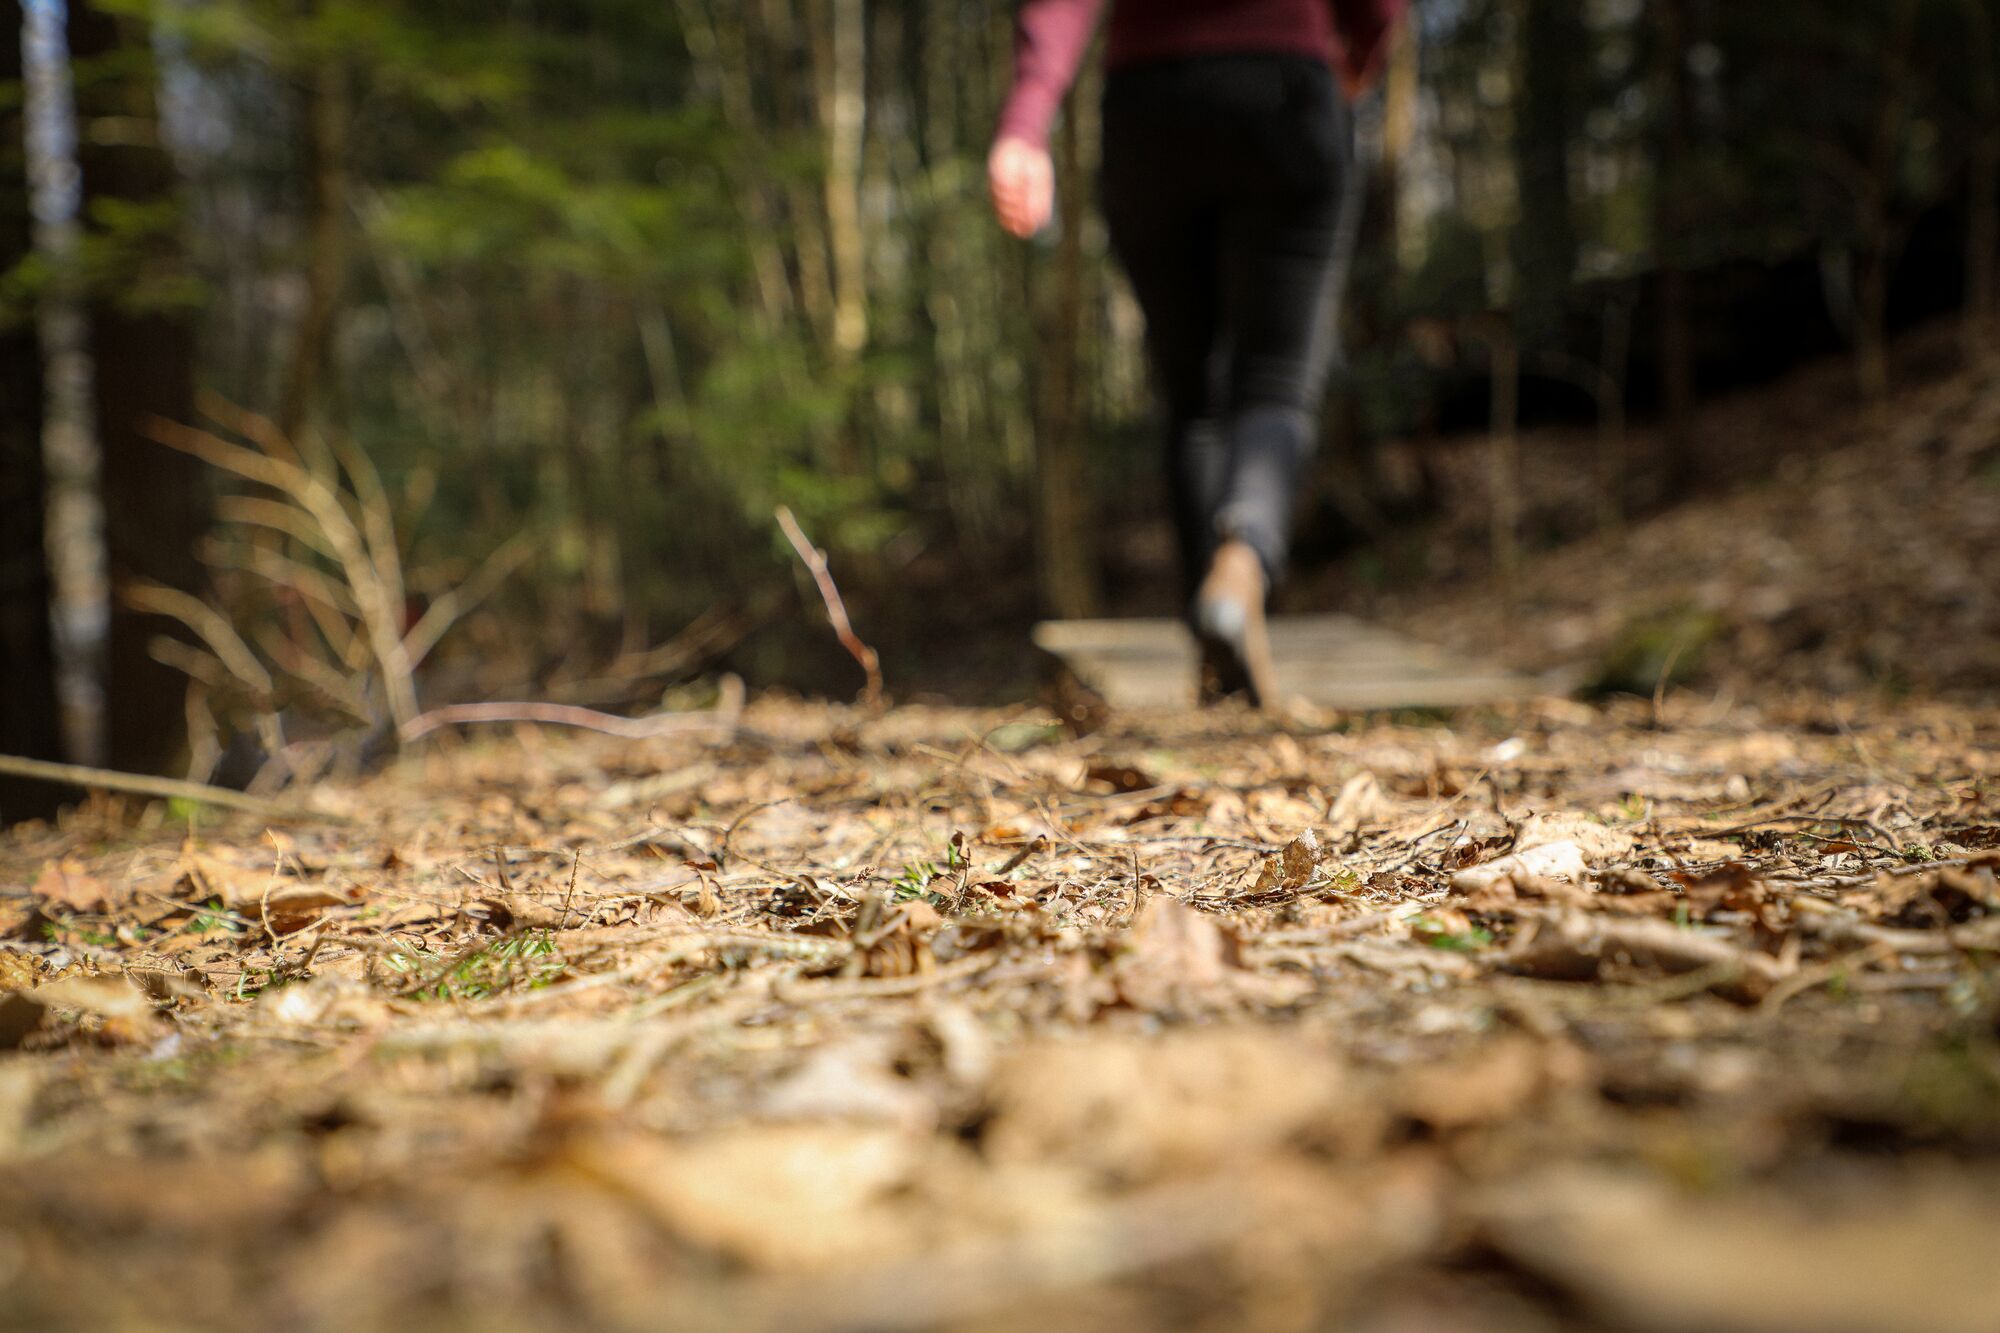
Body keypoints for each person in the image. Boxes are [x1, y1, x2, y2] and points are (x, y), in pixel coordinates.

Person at [991, 0, 1406, 708]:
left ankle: (1214, 666)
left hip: (1150, 106)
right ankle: (1241, 565)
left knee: (1192, 398)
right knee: (1277, 383)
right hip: (1287, 87)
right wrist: (1362, 53)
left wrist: (1027, 122)